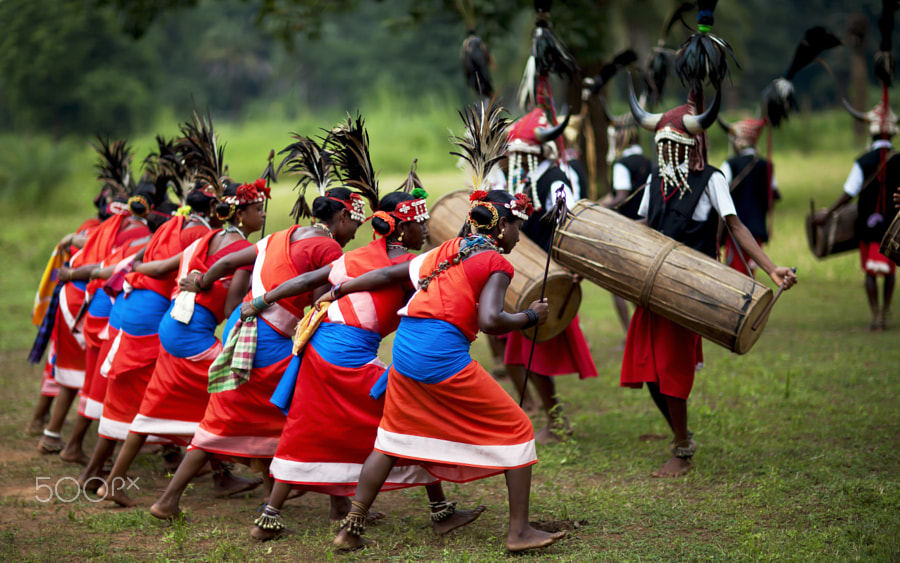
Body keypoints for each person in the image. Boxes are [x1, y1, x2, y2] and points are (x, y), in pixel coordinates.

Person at [318, 190, 565, 553]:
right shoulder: (496, 262)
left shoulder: (446, 249)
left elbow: (389, 273)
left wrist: (341, 289)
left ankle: (350, 530)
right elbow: (492, 320)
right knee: (518, 427)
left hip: (405, 351)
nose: (519, 237)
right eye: (518, 228)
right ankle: (519, 532)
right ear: (502, 226)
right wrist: (530, 316)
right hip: (439, 354)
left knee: (391, 439)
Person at [626, 30, 797, 477]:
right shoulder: (654, 183)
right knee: (649, 374)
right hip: (650, 286)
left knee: (672, 373)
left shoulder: (714, 179)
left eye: (673, 148)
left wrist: (771, 267)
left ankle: (682, 447)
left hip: (690, 288)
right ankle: (679, 436)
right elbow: (642, 227)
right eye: (661, 148)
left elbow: (737, 230)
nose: (667, 156)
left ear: (693, 146)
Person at [149, 185, 366, 521]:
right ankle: (169, 500)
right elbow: (323, 303)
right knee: (306, 411)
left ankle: (280, 498)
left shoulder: (284, 234)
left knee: (263, 417)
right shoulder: (329, 248)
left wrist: (204, 282)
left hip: (244, 327)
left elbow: (232, 261)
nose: (355, 234)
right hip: (267, 339)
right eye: (355, 225)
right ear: (342, 217)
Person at [101, 182, 267, 507]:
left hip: (173, 326)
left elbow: (163, 268)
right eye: (258, 209)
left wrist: (132, 269)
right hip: (192, 335)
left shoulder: (207, 238)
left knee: (155, 411)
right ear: (241, 213)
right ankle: (274, 478)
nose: (262, 214)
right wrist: (261, 298)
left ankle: (113, 483)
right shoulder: (243, 252)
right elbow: (233, 307)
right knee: (244, 391)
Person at [76, 182, 212, 487]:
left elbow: (135, 263)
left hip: (132, 308)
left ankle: (102, 471)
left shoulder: (173, 224)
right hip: (148, 317)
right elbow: (167, 267)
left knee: (137, 396)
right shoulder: (198, 234)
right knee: (172, 391)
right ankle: (102, 474)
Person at [503, 77, 598, 443]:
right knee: (516, 358)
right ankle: (544, 418)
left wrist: (573, 268)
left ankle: (555, 423)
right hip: (523, 276)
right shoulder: (519, 179)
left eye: (521, 153)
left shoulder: (556, 179)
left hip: (550, 276)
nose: (516, 159)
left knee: (528, 356)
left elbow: (573, 224)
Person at [38, 187, 153, 458]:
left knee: (82, 378)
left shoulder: (105, 228)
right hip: (92, 303)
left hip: (85, 301)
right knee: (93, 381)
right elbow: (111, 269)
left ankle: (54, 435)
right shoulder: (140, 235)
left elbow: (77, 242)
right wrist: (73, 273)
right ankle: (69, 442)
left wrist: (71, 262)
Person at [816, 100, 900, 331]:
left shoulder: (862, 161)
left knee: (870, 271)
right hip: (894, 226)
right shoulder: (899, 159)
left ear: (871, 134)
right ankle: (885, 311)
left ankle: (875, 314)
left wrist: (829, 213)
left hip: (867, 224)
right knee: (890, 269)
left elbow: (849, 192)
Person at [603, 110, 652, 336]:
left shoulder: (621, 164)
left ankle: (630, 334)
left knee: (618, 288)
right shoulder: (649, 162)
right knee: (641, 284)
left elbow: (621, 196)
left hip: (626, 232)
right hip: (648, 229)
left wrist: (597, 208)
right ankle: (644, 332)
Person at [719, 117, 779, 277]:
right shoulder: (766, 165)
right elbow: (774, 195)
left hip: (735, 229)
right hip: (757, 228)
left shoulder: (731, 164)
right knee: (750, 272)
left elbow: (719, 192)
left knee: (736, 273)